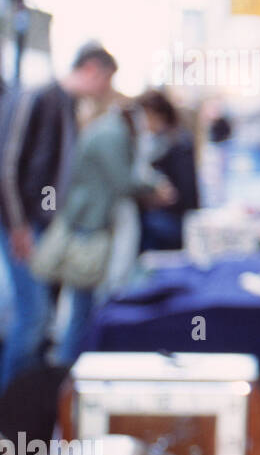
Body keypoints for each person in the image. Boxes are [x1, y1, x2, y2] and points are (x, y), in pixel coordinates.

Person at [0, 43, 118, 389]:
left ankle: (30, 405)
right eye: (106, 79)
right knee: (33, 317)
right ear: (93, 70)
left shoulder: (65, 105)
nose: (105, 89)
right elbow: (7, 166)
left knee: (41, 318)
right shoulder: (37, 98)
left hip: (43, 226)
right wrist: (18, 224)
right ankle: (11, 410)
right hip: (23, 225)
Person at [52, 98, 174, 364]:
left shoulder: (116, 130)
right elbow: (122, 181)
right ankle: (69, 370)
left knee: (85, 304)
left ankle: (75, 366)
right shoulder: (111, 132)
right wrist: (155, 189)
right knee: (82, 306)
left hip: (96, 223)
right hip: (91, 225)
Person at [136, 89, 199, 252]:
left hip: (172, 219)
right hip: (170, 216)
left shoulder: (175, 143)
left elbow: (183, 192)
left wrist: (156, 197)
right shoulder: (158, 141)